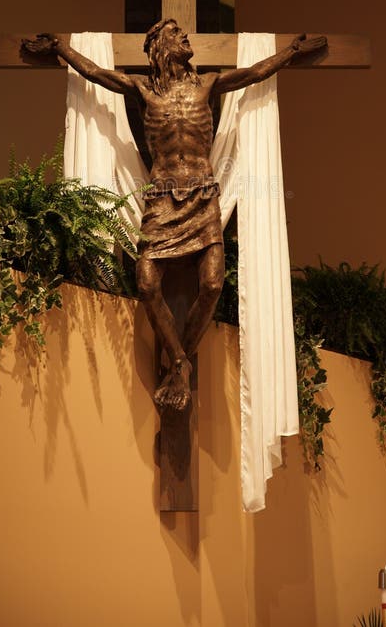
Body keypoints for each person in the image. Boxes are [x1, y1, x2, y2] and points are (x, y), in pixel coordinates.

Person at [22, 22, 327, 410]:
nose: (186, 39)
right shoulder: (142, 90)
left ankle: (180, 363)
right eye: (177, 34)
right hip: (162, 200)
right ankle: (180, 360)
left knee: (213, 285)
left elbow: (253, 73)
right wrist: (62, 50)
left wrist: (290, 53)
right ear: (159, 46)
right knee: (146, 284)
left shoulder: (209, 83)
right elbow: (97, 74)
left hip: (202, 196)